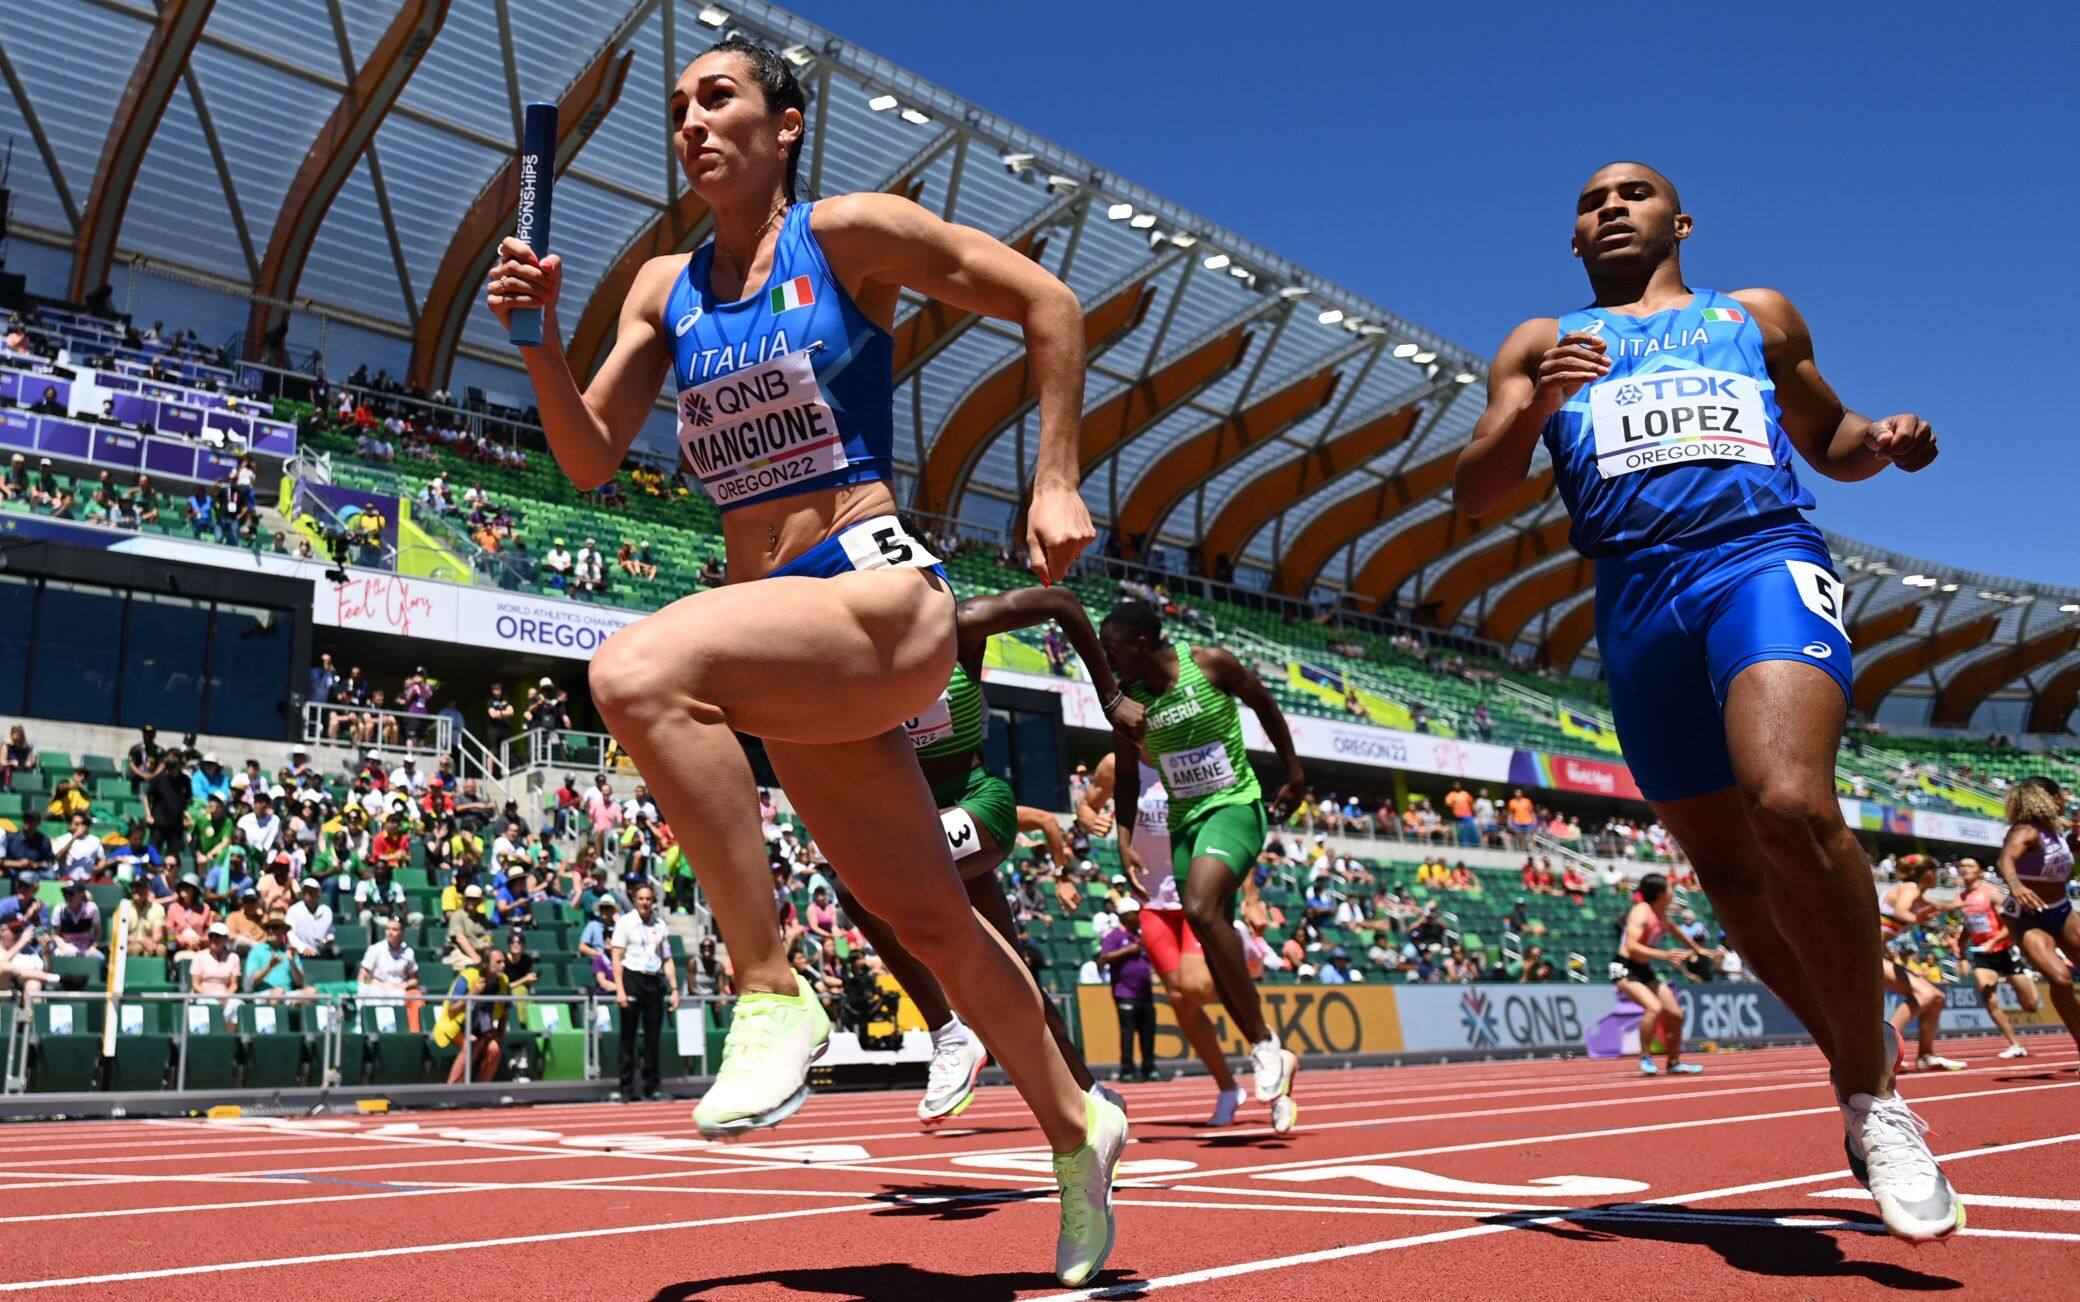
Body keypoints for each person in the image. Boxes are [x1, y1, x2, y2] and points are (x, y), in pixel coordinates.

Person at [485, 35, 1121, 1279]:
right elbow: (585, 459)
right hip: (779, 628)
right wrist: (537, 344)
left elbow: (1052, 303)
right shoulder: (663, 290)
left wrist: (1053, 478)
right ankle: (1077, 1126)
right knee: (928, 915)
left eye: (716, 98)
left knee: (631, 671)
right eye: (677, 107)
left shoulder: (850, 234)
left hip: (877, 589)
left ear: (784, 127)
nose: (691, 121)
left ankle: (770, 988)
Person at [1454, 161, 1956, 1241]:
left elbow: (1827, 437)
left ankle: (1878, 1103)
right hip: (1633, 595)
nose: (1608, 208)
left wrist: (1881, 442)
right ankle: (1858, 1077)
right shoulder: (1541, 343)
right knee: (1727, 872)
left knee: (1787, 803)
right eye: (1588, 202)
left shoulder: (1754, 316)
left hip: (1756, 558)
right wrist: (1540, 403)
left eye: (1630, 193)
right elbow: (1473, 491)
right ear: (1573, 240)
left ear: (1677, 220)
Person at [829, 584, 1139, 1124]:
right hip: (917, 823)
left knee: (854, 886)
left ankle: (949, 1033)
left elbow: (1063, 601)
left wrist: (1110, 697)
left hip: (978, 801)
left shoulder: (961, 626)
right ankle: (1093, 1096)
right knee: (1015, 974)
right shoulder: (850, 651)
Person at [1102, 600, 1306, 1134]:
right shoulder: (1132, 705)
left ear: (1143, 645)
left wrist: (1295, 774)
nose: (1108, 660)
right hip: (1184, 822)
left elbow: (1265, 706)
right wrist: (1123, 840)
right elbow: (1126, 776)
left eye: (1114, 650)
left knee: (1199, 906)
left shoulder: (1211, 664)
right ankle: (1268, 1048)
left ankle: (1263, 1045)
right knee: (1210, 935)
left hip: (1235, 806)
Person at [1078, 752, 1248, 1122]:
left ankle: (1261, 1031)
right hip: (1151, 901)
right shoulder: (1114, 764)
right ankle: (1227, 1086)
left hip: (1194, 892)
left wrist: (1253, 895)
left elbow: (1232, 820)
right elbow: (1087, 806)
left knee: (1198, 988)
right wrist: (1092, 819)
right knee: (1179, 998)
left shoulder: (1191, 756)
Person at [1993, 777, 2080, 1059]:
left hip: (2061, 909)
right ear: (2050, 798)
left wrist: (2076, 846)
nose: (2066, 799)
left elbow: (2062, 868)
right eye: (2062, 795)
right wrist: (2016, 886)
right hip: (2028, 917)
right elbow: (2005, 859)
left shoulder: (2057, 831)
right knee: (2061, 979)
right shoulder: (2025, 831)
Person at [1612, 874, 1715, 1076]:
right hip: (1624, 968)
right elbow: (1631, 947)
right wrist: (1665, 955)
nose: (1673, 891)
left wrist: (1696, 948)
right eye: (1670, 888)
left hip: (1643, 969)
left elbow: (1674, 930)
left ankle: (1674, 1062)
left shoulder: (1660, 913)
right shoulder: (1641, 913)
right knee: (1654, 1008)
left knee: (1676, 1015)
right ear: (1660, 894)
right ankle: (1645, 1058)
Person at [1878, 855, 1965, 1072]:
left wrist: (1962, 902)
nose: (1938, 878)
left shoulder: (1917, 894)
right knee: (1926, 995)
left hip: (1875, 954)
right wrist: (1916, 918)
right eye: (1937, 874)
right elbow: (1901, 912)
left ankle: (1926, 1055)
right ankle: (1881, 1052)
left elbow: (1939, 906)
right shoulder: (1910, 889)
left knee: (1936, 998)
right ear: (1929, 874)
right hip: (1864, 954)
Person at [1956, 858, 2038, 1060]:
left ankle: (2026, 976)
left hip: (2005, 951)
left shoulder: (1991, 893)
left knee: (2031, 1005)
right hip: (1982, 954)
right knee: (1987, 996)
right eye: (1962, 866)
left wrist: (1993, 942)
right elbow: (1970, 924)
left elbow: (2011, 923)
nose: (1965, 869)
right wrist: (1960, 948)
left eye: (1970, 866)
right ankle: (2015, 1044)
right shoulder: (1961, 896)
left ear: (1980, 872)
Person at [612, 883, 679, 1100]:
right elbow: (617, 957)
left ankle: (652, 1087)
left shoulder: (659, 924)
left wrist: (675, 988)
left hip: (654, 981)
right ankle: (626, 1088)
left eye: (648, 899)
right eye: (641, 898)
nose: (645, 903)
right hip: (632, 977)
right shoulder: (625, 922)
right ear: (634, 899)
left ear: (653, 901)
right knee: (628, 1037)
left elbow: (667, 957)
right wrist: (620, 989)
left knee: (652, 1038)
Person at [1098, 899, 1157, 1082]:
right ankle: (1127, 1070)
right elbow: (1104, 958)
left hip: (1145, 992)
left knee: (1148, 1032)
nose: (1139, 917)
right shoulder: (1114, 936)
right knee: (1128, 1033)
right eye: (1136, 913)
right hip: (1125, 993)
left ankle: (1148, 1068)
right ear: (1127, 916)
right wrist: (1128, 949)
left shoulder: (1140, 936)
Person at [435, 946, 509, 1084]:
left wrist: (498, 1037)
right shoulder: (468, 977)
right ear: (486, 963)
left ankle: (480, 1093)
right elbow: (452, 1011)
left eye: (504, 962)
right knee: (472, 1043)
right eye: (498, 962)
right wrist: (472, 993)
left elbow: (505, 1013)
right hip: (456, 1027)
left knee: (494, 1048)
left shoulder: (504, 981)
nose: (503, 966)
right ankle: (451, 1093)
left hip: (482, 1029)